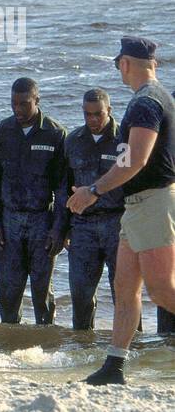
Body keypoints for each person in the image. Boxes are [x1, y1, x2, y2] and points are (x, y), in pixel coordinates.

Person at [68, 37, 175, 385]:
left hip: (153, 201)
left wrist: (93, 191)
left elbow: (136, 159)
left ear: (126, 63)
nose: (118, 70)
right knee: (125, 286)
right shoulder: (152, 98)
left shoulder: (146, 101)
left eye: (118, 64)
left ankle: (115, 365)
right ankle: (114, 366)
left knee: (161, 291)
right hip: (138, 205)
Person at [0, 78, 67, 325]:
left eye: (24, 104)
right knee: (8, 291)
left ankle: (46, 347)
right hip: (9, 221)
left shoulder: (55, 134)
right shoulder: (0, 132)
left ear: (37, 101)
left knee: (43, 292)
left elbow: (63, 188)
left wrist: (59, 229)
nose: (18, 110)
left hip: (42, 220)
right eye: (14, 104)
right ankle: (10, 346)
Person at [63, 88, 126, 331]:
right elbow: (64, 190)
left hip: (118, 224)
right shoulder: (73, 141)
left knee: (124, 294)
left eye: (98, 114)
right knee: (80, 294)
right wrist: (63, 229)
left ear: (109, 111)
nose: (92, 120)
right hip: (83, 227)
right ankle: (82, 348)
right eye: (87, 114)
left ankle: (132, 348)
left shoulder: (125, 139)